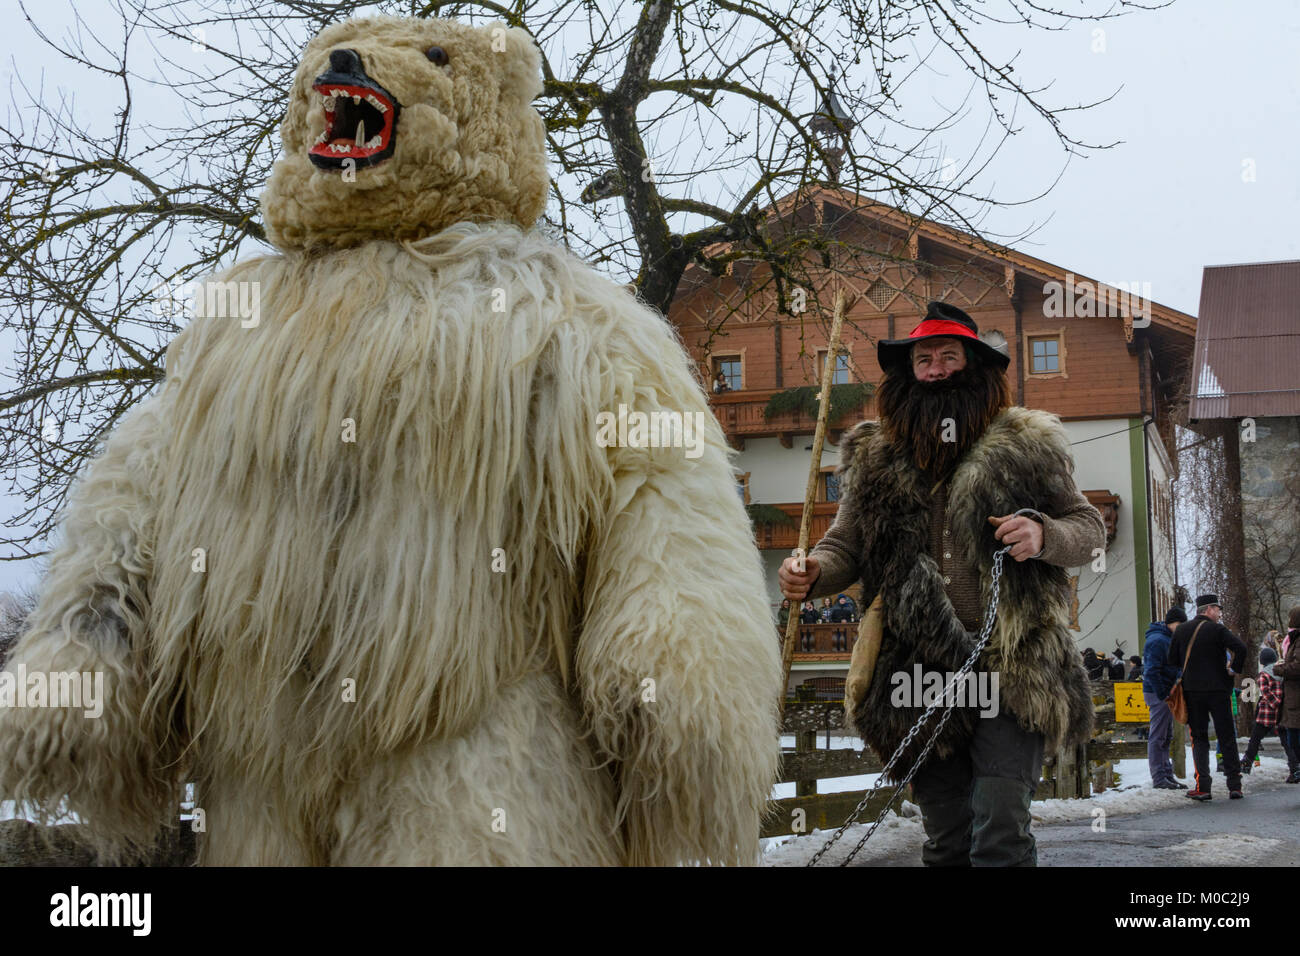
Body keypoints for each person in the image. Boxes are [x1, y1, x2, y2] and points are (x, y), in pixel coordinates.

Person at [778, 300, 1104, 867]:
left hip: (1013, 664)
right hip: (918, 669)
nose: (934, 369)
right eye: (923, 359)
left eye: (947, 356)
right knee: (947, 837)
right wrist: (811, 572)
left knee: (1001, 824)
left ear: (975, 365)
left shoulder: (1029, 444)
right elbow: (845, 545)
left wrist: (1042, 533)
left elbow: (1090, 529)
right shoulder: (875, 454)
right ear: (908, 373)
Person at [1170, 593, 1247, 801]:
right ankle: (1234, 785)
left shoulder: (1182, 630)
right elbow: (1241, 647)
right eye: (1218, 609)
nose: (1219, 613)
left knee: (1199, 738)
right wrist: (1233, 669)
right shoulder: (1218, 630)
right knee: (1227, 736)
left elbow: (1173, 659)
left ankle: (1203, 786)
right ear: (1209, 609)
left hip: (1193, 691)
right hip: (1219, 690)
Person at [1142, 607, 1187, 789]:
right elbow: (1151, 670)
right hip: (1158, 692)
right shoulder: (1158, 641)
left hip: (1165, 690)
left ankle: (1166, 774)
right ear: (1172, 623)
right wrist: (1163, 693)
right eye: (1180, 625)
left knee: (1166, 735)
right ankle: (1159, 777)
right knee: (1159, 735)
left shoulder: (1166, 638)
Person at [1241, 646, 1287, 774]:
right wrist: (1280, 704)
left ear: (1262, 661)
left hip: (1266, 713)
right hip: (1281, 713)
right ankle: (1295, 765)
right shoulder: (1281, 673)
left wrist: (1274, 703)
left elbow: (1265, 692)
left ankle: (1247, 762)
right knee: (1285, 739)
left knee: (1255, 739)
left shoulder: (1263, 675)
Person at [1272, 606, 1300, 784]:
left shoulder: (1298, 640)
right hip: (1293, 698)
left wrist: (1279, 668)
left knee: (1294, 738)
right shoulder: (1294, 640)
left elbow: (1298, 667)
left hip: (1296, 698)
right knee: (1292, 736)